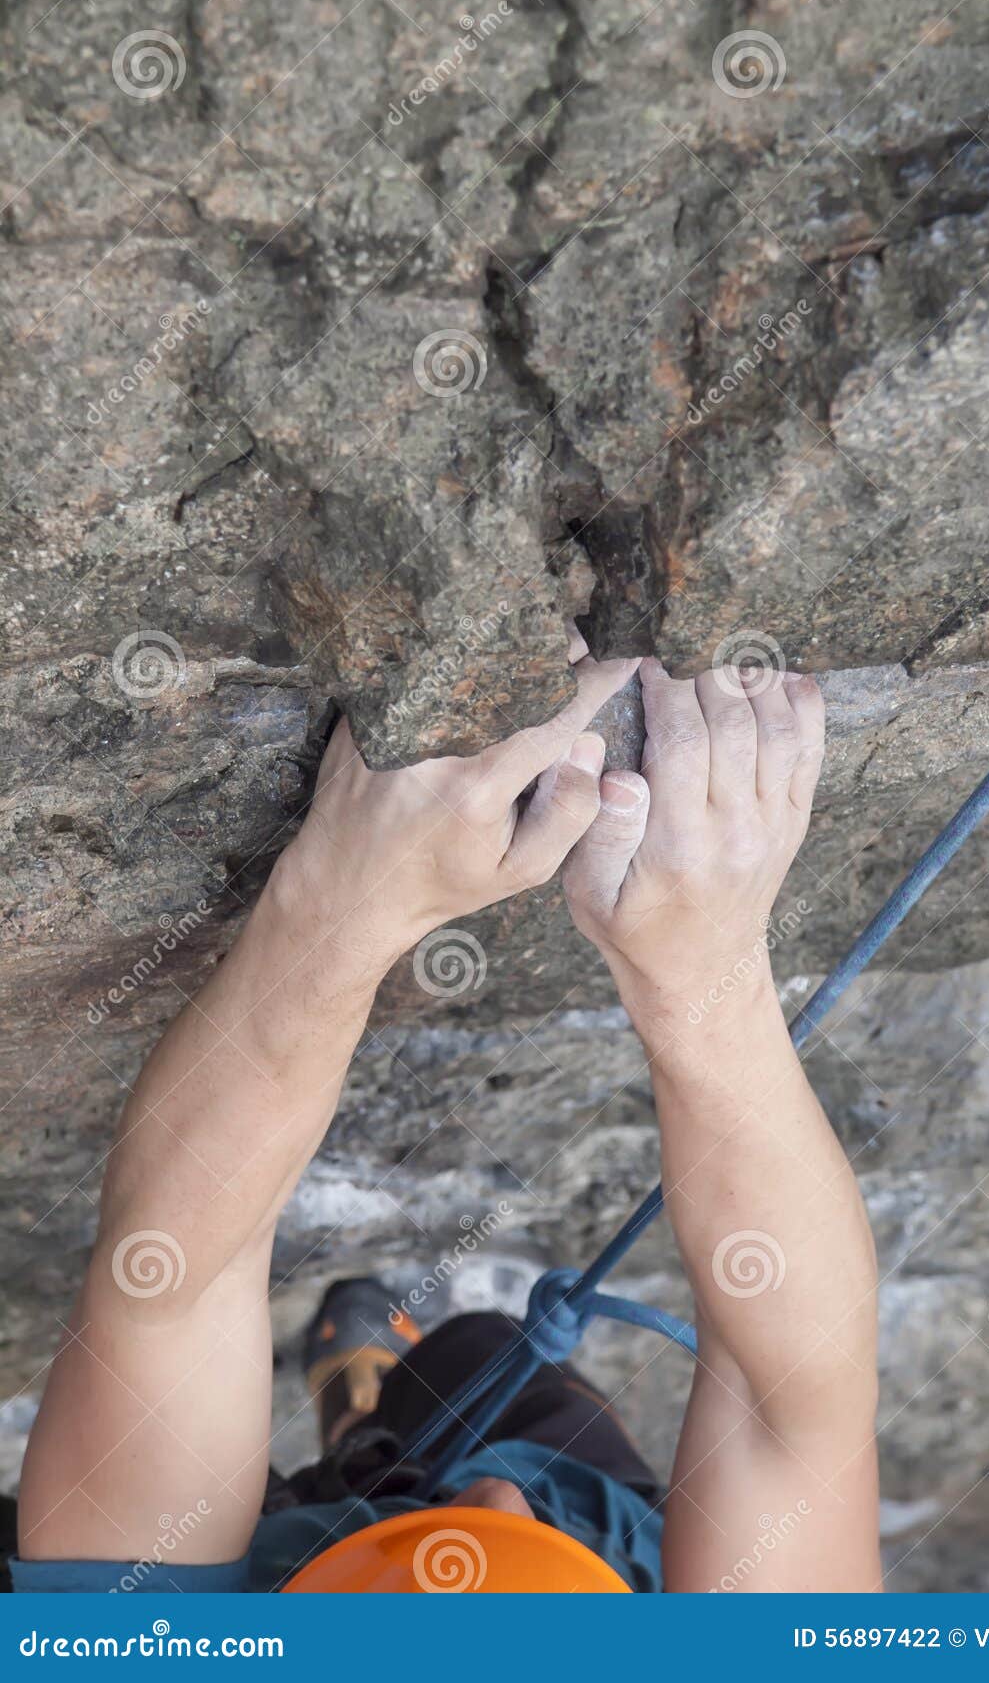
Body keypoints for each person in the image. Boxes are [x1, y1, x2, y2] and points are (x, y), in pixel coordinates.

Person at [12, 638, 881, 1593]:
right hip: (554, 1537)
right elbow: (795, 1404)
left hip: (311, 1557)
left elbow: (171, 1281)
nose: (498, 1498)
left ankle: (356, 1409)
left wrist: (346, 899)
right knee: (486, 1357)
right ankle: (364, 1398)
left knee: (419, 1408)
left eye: (476, 1519)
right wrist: (706, 986)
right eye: (515, 1532)